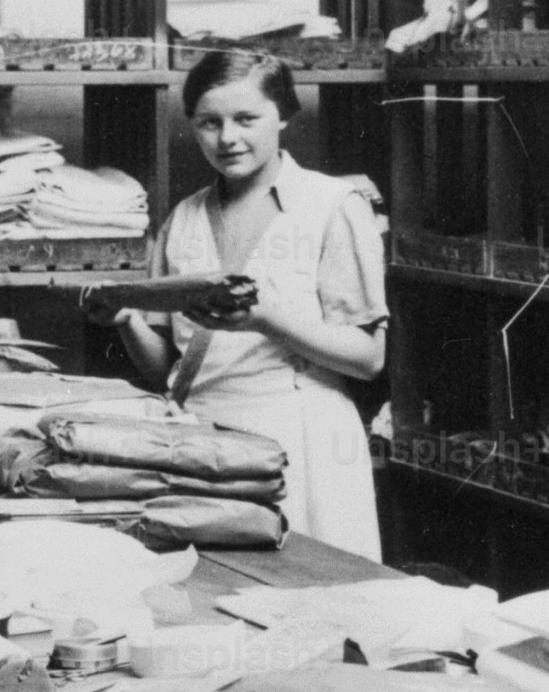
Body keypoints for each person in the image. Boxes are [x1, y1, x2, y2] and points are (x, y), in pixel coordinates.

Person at [116, 49, 388, 553]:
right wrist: (125, 318)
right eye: (209, 123)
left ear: (283, 116)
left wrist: (264, 319)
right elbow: (168, 372)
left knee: (311, 589)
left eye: (247, 119)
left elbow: (369, 359)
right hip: (202, 441)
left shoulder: (331, 206)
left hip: (301, 440)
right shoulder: (185, 217)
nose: (228, 138)